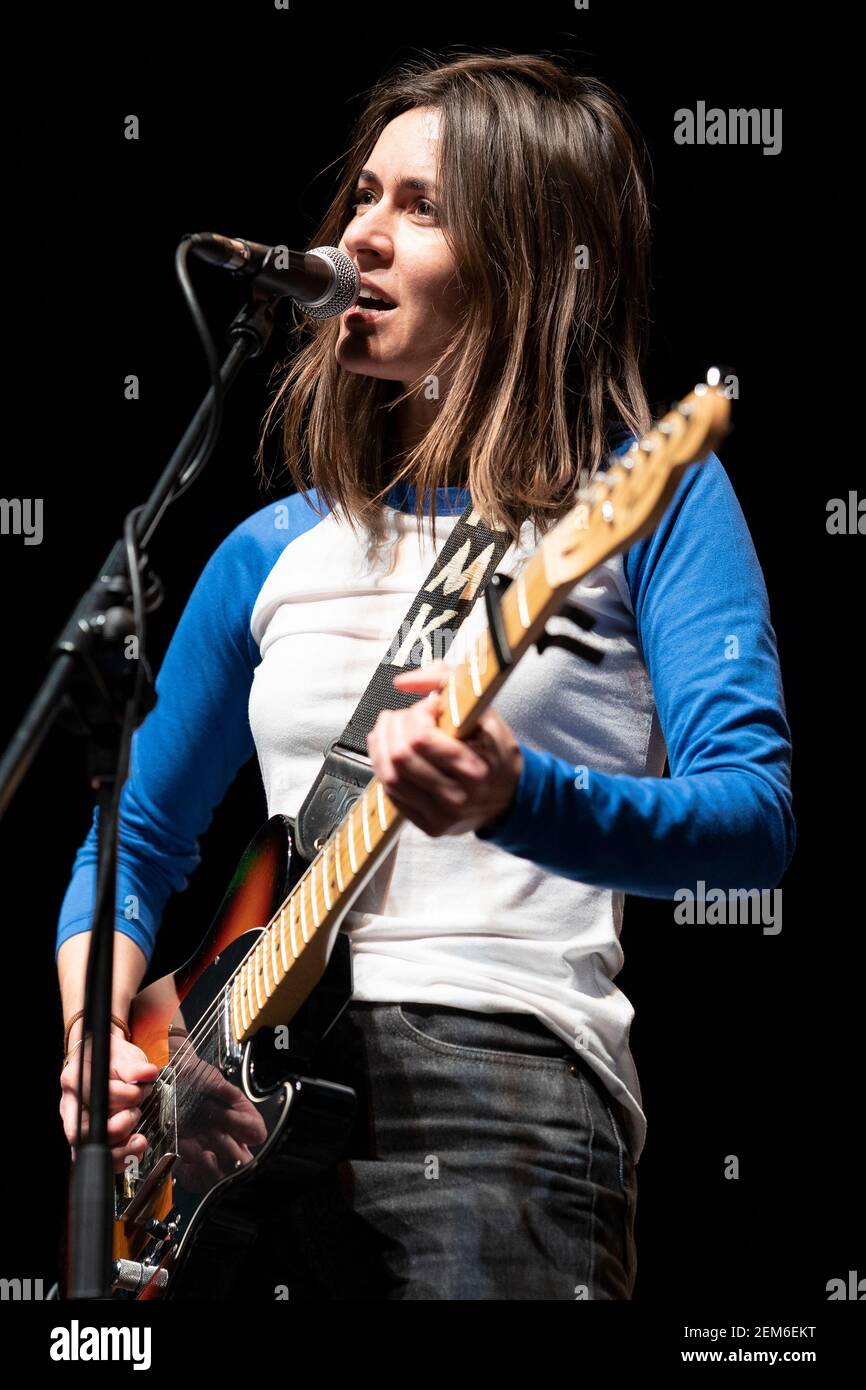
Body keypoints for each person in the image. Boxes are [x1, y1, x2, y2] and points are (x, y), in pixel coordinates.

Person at [56, 51, 795, 1300]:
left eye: (420, 206)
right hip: (237, 1118)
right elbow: (130, 837)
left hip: (501, 1087)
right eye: (360, 195)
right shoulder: (269, 548)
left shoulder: (643, 498)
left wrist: (523, 798)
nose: (361, 233)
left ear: (528, 258)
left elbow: (754, 820)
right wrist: (99, 1037)